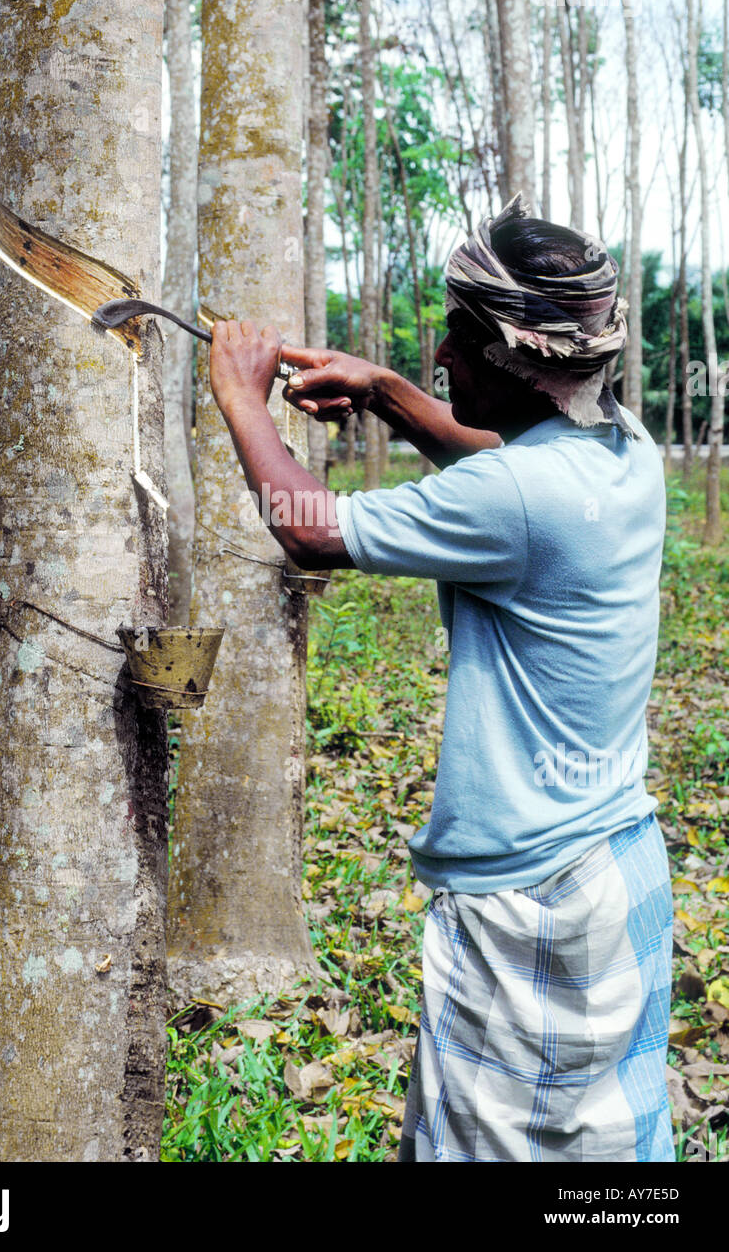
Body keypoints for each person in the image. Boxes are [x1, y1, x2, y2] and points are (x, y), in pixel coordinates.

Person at [206, 193, 673, 1163]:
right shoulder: (626, 455)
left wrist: (241, 397)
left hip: (528, 900)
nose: (441, 358)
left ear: (517, 359)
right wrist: (379, 390)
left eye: (460, 336)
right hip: (616, 866)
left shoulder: (512, 497)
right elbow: (493, 458)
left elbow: (309, 527)